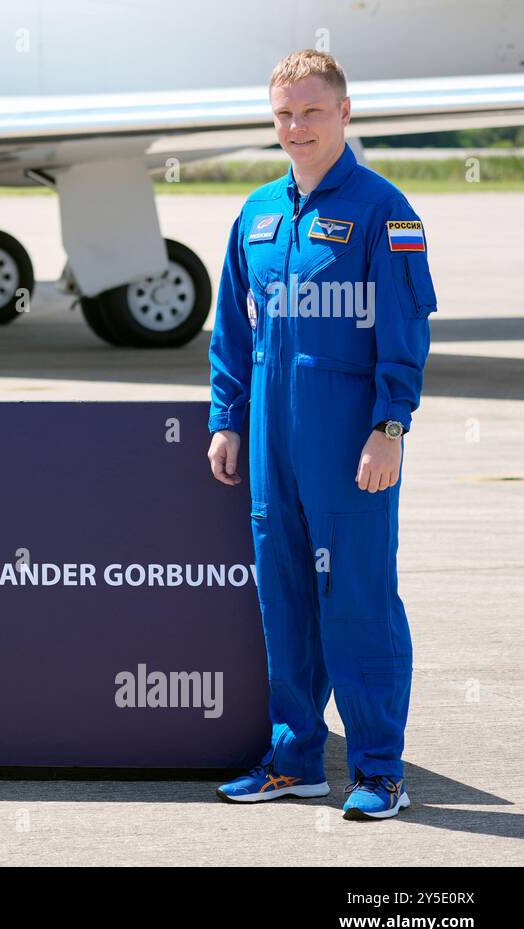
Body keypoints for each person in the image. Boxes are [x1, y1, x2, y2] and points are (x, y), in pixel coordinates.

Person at [206, 50, 435, 820]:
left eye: (310, 111)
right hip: (272, 445)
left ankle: (379, 768)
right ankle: (296, 758)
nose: (295, 127)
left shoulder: (385, 210)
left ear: (344, 114)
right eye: (283, 114)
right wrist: (226, 419)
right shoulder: (258, 213)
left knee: (359, 603)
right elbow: (233, 332)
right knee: (285, 600)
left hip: (347, 444)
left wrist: (389, 425)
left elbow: (404, 331)